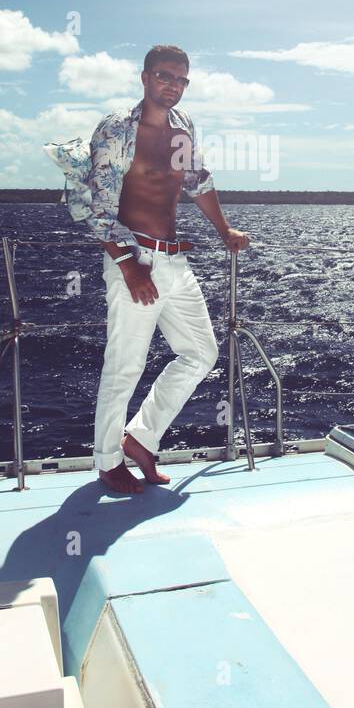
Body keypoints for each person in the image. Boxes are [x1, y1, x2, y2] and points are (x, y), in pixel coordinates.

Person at [88, 46, 250, 494]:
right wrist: (126, 265)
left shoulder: (183, 127)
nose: (173, 86)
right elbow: (93, 204)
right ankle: (107, 461)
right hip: (134, 258)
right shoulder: (116, 128)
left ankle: (140, 438)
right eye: (165, 76)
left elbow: (197, 182)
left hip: (175, 260)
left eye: (181, 79)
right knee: (124, 366)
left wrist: (225, 230)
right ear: (144, 77)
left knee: (202, 352)